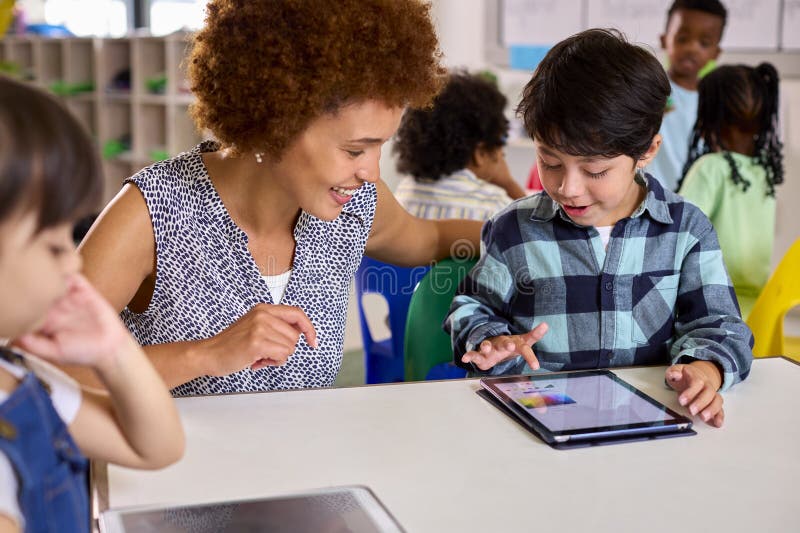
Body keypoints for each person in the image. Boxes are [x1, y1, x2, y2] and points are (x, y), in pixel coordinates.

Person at [75, 0, 482, 396]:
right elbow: (43, 365)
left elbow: (429, 239)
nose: (371, 173)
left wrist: (532, 227)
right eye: (355, 150)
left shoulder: (355, 206)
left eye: (379, 148)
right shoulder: (153, 211)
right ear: (277, 123)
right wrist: (203, 355)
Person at [445, 29, 753, 429]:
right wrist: (491, 340)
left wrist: (705, 369)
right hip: (534, 421)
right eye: (550, 161)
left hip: (644, 423)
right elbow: (472, 306)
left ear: (647, 150)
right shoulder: (514, 228)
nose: (567, 188)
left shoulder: (685, 230)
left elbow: (721, 325)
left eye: (595, 170)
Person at [0, 77, 184, 533]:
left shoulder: (19, 378)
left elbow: (156, 447)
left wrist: (113, 350)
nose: (73, 263)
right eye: (54, 244)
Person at [678, 63, 783, 319]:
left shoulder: (710, 168)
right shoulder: (765, 171)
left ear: (709, 117)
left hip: (708, 304)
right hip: (757, 312)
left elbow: (678, 233)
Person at [393, 70, 525, 221]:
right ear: (480, 153)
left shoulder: (403, 193)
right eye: (501, 139)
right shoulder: (495, 206)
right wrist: (508, 184)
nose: (502, 154)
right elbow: (538, 236)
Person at [647, 0, 726, 192]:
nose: (692, 48)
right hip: (650, 198)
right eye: (682, 39)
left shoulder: (715, 101)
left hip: (695, 202)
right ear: (664, 39)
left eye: (704, 43)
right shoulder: (650, 87)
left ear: (716, 53)